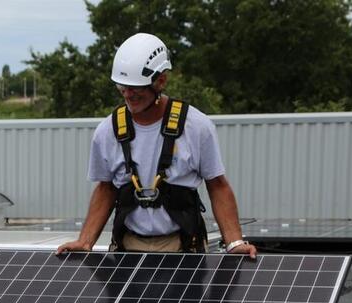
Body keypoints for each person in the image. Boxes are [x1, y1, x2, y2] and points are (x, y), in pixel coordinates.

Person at [57, 32, 257, 258]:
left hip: (182, 245)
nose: (128, 95)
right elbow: (106, 188)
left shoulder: (197, 127)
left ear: (161, 80)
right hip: (128, 245)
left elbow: (218, 186)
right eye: (123, 87)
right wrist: (85, 241)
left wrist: (234, 243)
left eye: (136, 87)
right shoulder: (108, 131)